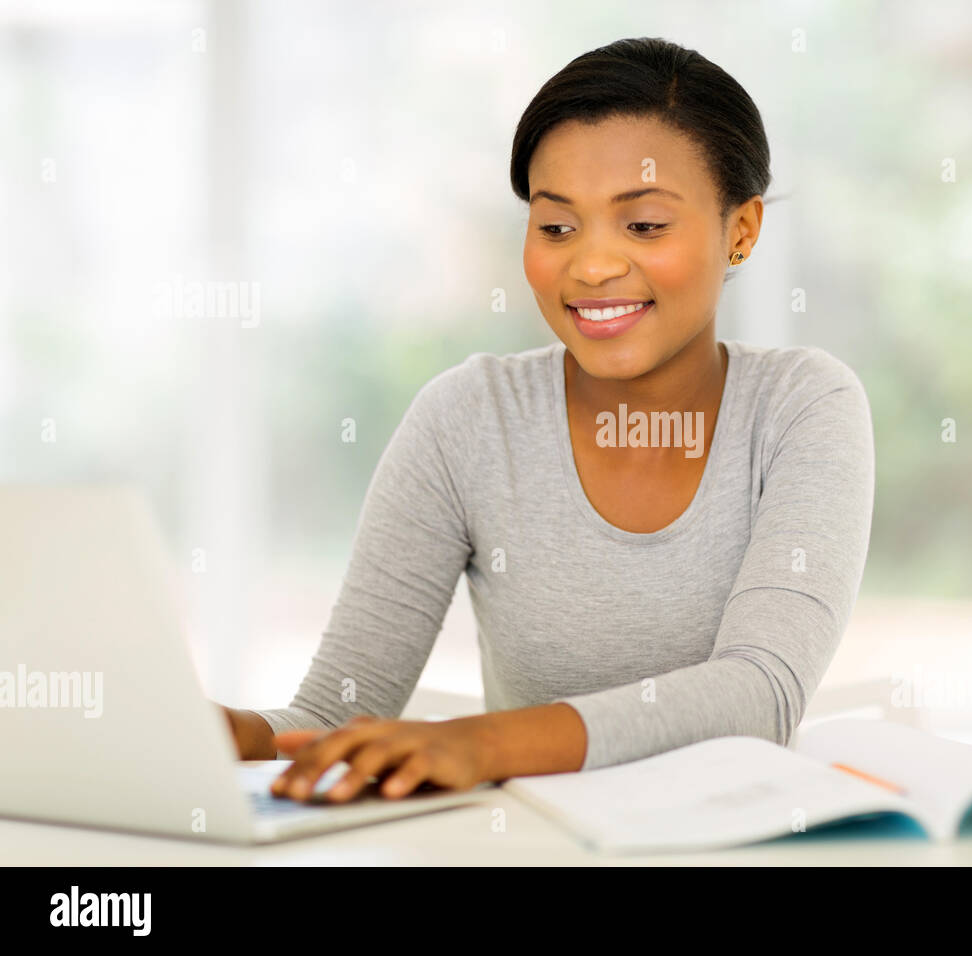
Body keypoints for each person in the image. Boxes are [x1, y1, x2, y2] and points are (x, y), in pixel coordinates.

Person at [218, 36, 875, 804]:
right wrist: (225, 734)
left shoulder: (804, 407)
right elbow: (330, 715)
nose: (590, 266)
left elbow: (757, 696)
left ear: (742, 229)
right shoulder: (467, 420)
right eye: (557, 227)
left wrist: (486, 743)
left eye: (645, 225)